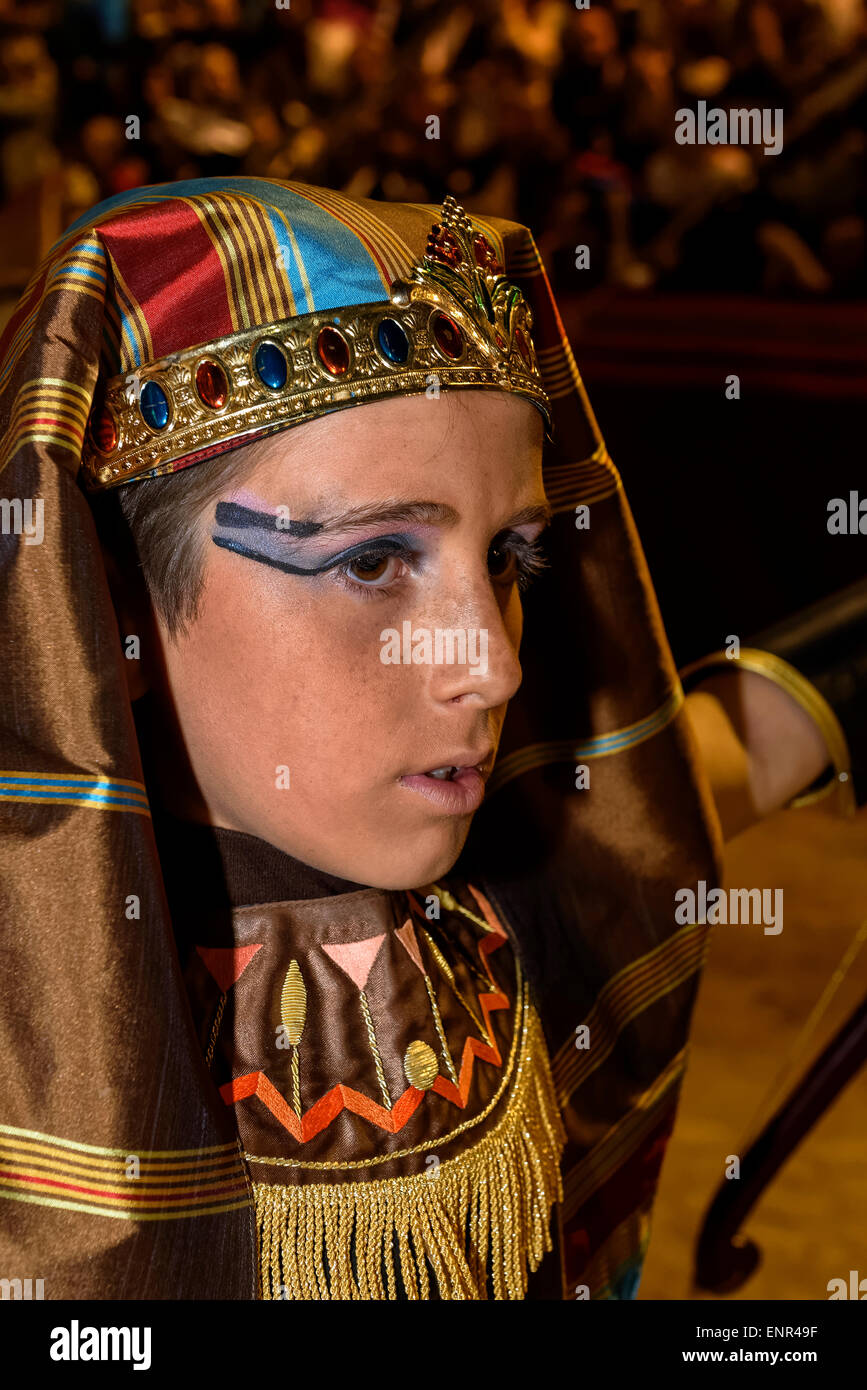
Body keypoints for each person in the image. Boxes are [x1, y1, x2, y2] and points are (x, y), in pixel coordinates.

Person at [0, 177, 843, 1300]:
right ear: (111, 608)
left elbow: (691, 777)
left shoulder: (514, 894)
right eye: (371, 561)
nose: (494, 663)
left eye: (509, 560)